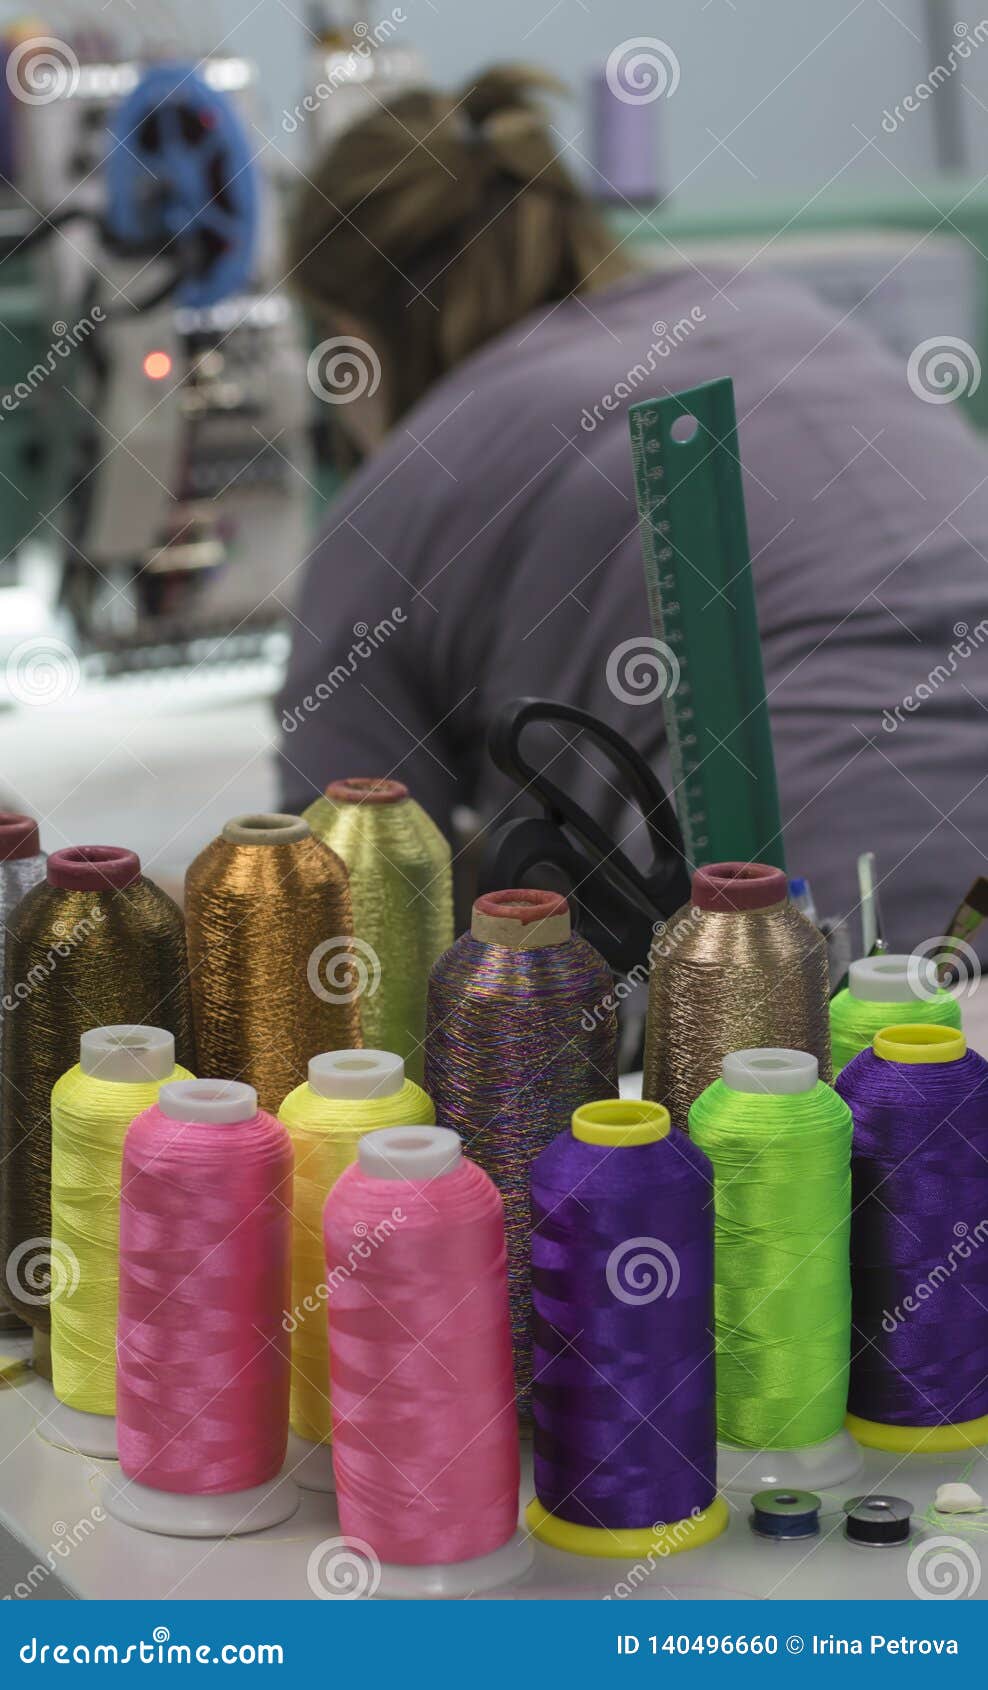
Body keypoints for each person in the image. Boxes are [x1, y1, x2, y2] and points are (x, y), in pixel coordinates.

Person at [277, 64, 988, 952]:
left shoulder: (398, 497)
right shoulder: (785, 317)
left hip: (822, 973)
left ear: (350, 339)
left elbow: (344, 906)